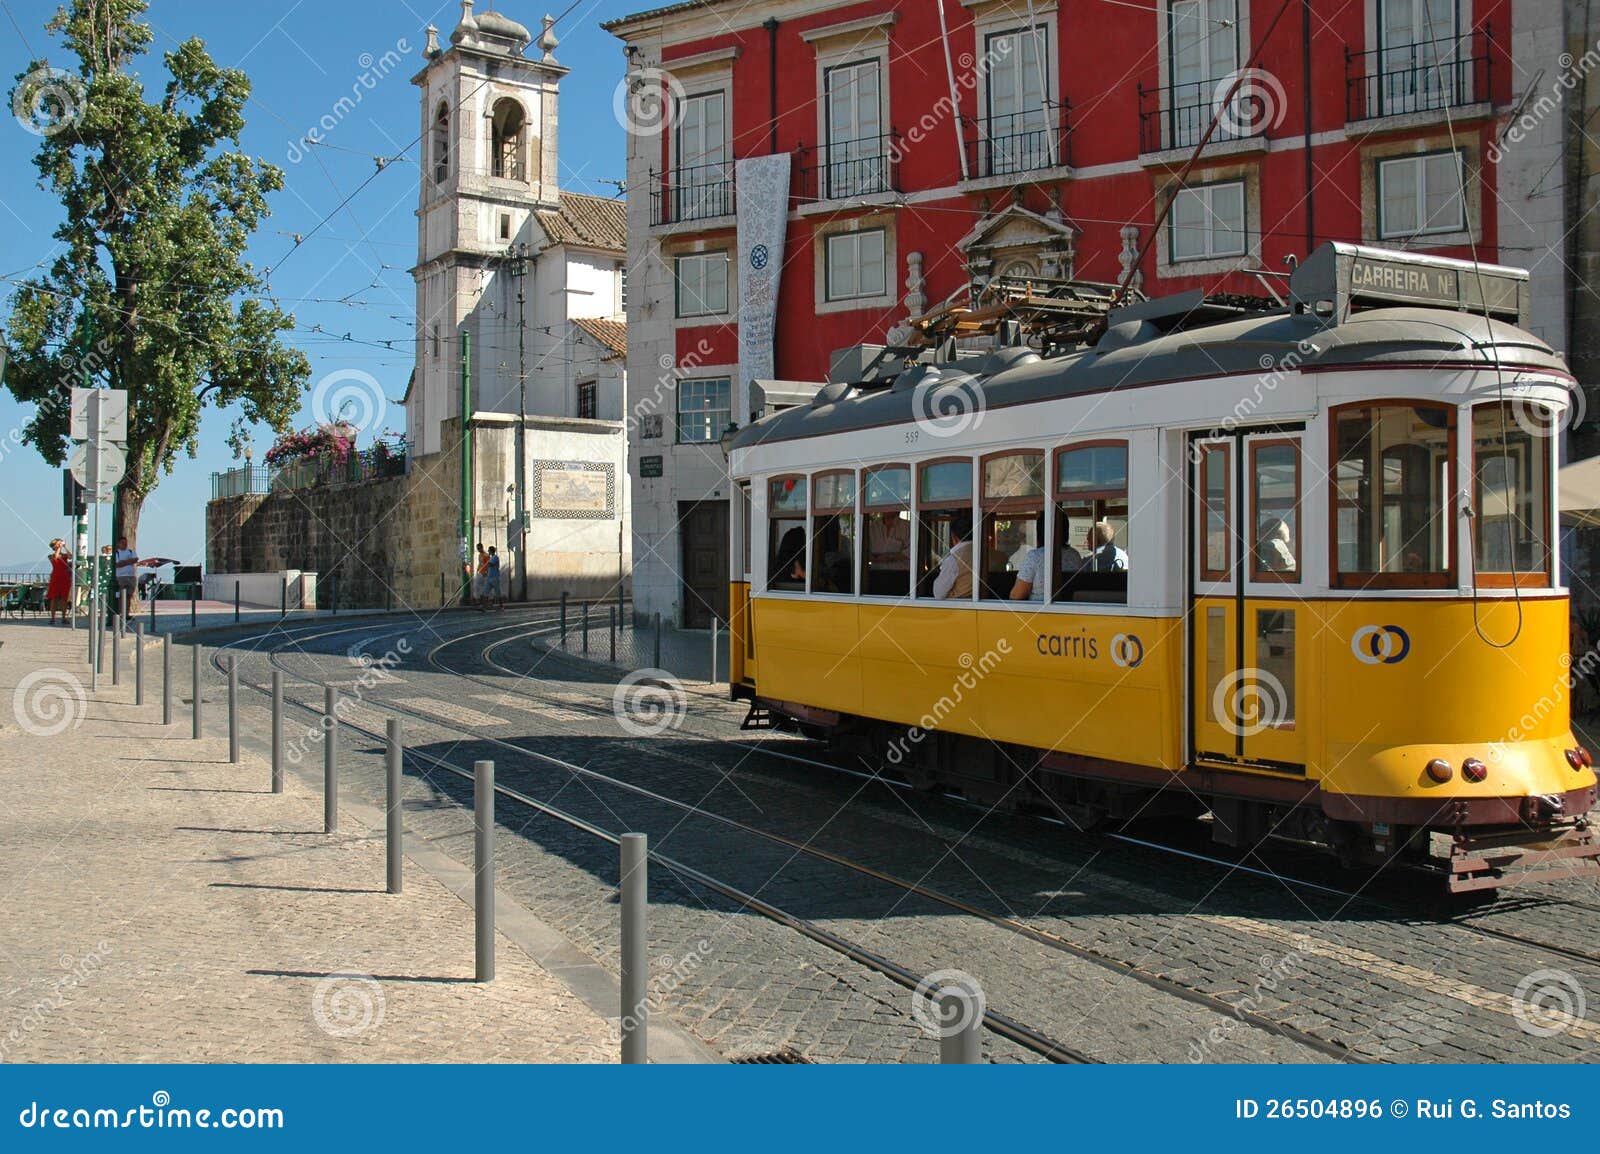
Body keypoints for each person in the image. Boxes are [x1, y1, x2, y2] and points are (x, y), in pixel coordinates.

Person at [932, 514, 974, 600]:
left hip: (958, 609)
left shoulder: (953, 560)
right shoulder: (988, 553)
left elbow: (938, 593)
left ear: (954, 537)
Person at [45, 539, 72, 624]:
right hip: (56, 577)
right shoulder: (51, 556)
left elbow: (71, 556)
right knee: (54, 598)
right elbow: (56, 558)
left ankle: (63, 617)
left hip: (65, 577)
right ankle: (52, 618)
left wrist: (65, 547)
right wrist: (58, 548)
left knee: (65, 598)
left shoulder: (64, 555)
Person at [113, 536, 138, 620]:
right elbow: (117, 564)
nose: (125, 544)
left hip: (131, 576)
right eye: (122, 543)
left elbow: (135, 560)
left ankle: (127, 613)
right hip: (120, 577)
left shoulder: (131, 551)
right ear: (118, 544)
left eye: (126, 543)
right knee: (121, 596)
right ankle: (120, 613)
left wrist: (124, 562)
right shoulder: (116, 553)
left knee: (129, 596)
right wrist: (128, 561)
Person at [484, 546, 504, 611]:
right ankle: (485, 606)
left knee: (497, 593)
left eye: (489, 550)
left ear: (491, 551)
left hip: (495, 578)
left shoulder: (495, 558)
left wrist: (486, 560)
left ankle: (501, 606)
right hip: (489, 578)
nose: (488, 551)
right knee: (485, 592)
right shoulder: (490, 558)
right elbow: (488, 566)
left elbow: (490, 564)